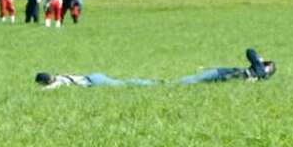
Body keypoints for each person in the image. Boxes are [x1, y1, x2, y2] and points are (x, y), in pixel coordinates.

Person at [35, 48, 276, 90]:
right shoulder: (255, 76)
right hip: (214, 78)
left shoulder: (258, 71)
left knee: (143, 85)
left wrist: (262, 60)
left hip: (211, 78)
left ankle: (78, 79)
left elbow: (251, 50)